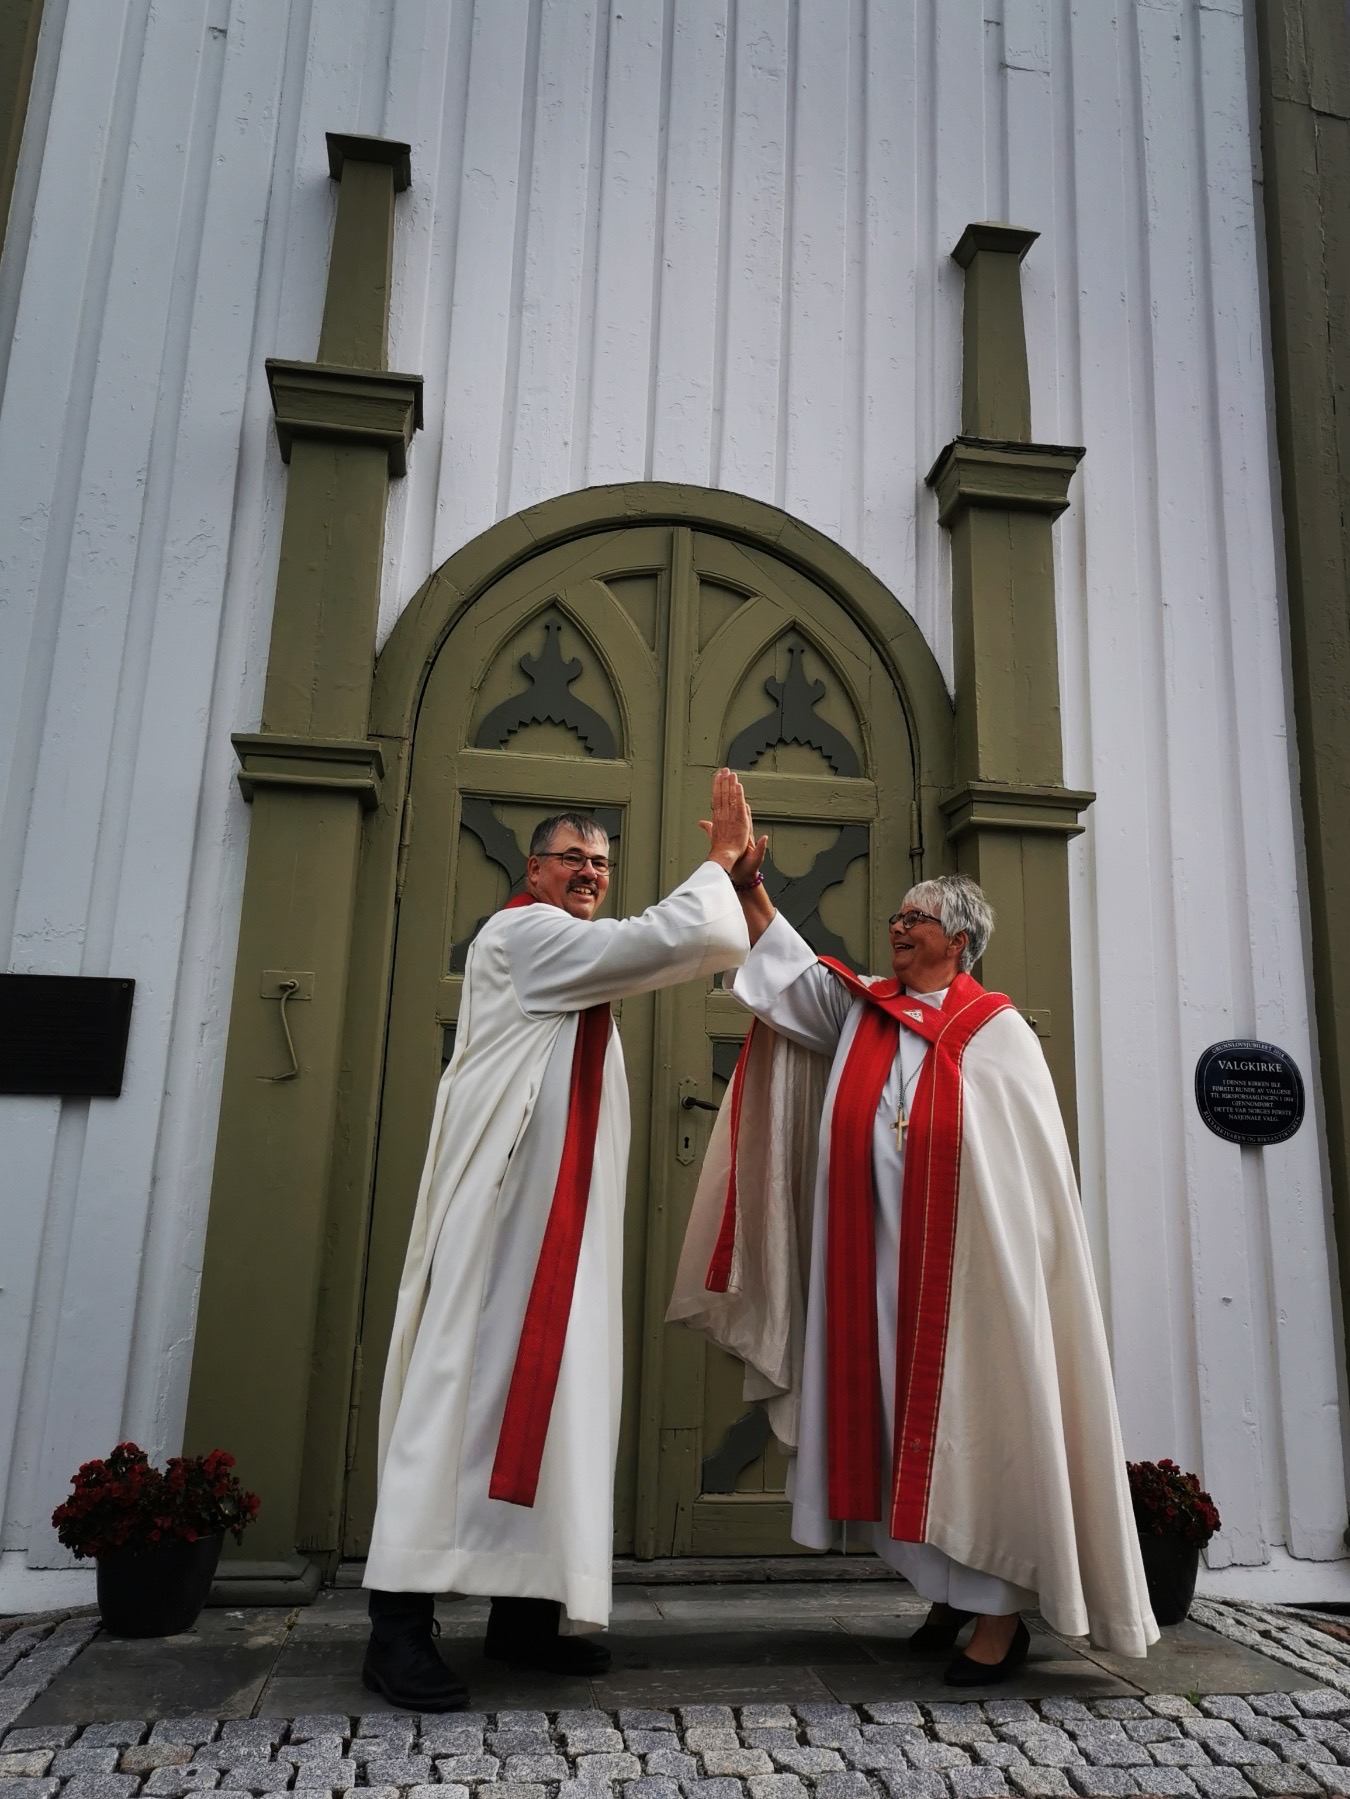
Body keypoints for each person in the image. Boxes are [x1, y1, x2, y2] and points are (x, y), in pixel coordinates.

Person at [669, 852, 1157, 1683]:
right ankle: (947, 1593)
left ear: (958, 941)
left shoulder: (998, 1035)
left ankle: (999, 1616)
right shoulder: (867, 1013)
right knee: (904, 1435)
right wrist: (749, 886)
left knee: (980, 1432)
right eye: (897, 916)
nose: (897, 927)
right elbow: (788, 973)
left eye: (916, 919)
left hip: (969, 1289)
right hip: (873, 1279)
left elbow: (1020, 1184)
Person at [363, 772, 753, 1709]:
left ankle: (526, 1613)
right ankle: (396, 1628)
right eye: (571, 858)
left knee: (559, 1405)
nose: (589, 873)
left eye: (601, 863)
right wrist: (720, 864)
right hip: (498, 1232)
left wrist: (730, 881)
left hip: (561, 1237)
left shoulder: (574, 962)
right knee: (458, 1398)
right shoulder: (524, 936)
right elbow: (663, 941)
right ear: (532, 870)